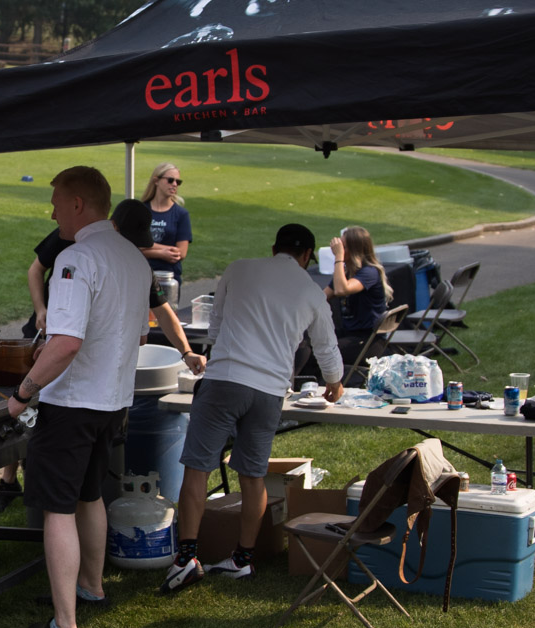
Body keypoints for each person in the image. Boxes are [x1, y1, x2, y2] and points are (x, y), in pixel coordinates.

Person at [4, 166, 151, 628]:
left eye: (55, 204)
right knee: (90, 495)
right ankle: (92, 586)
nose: (51, 213)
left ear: (77, 205)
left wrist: (24, 391)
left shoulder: (75, 258)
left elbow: (66, 341)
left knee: (57, 508)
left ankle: (64, 622)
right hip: (113, 401)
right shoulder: (133, 257)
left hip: (72, 403)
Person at [161, 224, 345, 594]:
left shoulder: (240, 268)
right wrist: (334, 382)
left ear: (274, 246)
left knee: (198, 468)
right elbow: (327, 347)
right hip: (269, 391)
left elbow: (218, 320)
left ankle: (186, 558)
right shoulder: (311, 291)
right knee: (252, 475)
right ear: (307, 256)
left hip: (225, 378)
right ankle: (243, 560)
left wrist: (214, 350)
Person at [110, 199, 204, 366]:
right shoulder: (90, 261)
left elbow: (163, 311)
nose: (133, 247)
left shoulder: (141, 268)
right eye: (130, 240)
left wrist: (187, 352)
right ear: (113, 227)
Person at [327, 225, 392, 365]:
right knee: (310, 344)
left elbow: (341, 290)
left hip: (367, 341)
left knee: (322, 354)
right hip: (348, 334)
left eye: (343, 247)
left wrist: (339, 258)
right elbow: (321, 297)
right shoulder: (347, 273)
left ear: (354, 250)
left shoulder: (370, 273)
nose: (340, 250)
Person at [140, 161, 192, 286]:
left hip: (168, 278)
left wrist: (145, 248)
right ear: (156, 181)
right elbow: (132, 247)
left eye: (178, 182)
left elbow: (180, 253)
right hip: (141, 275)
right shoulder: (140, 211)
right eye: (170, 180)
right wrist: (162, 253)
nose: (174, 184)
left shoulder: (181, 214)